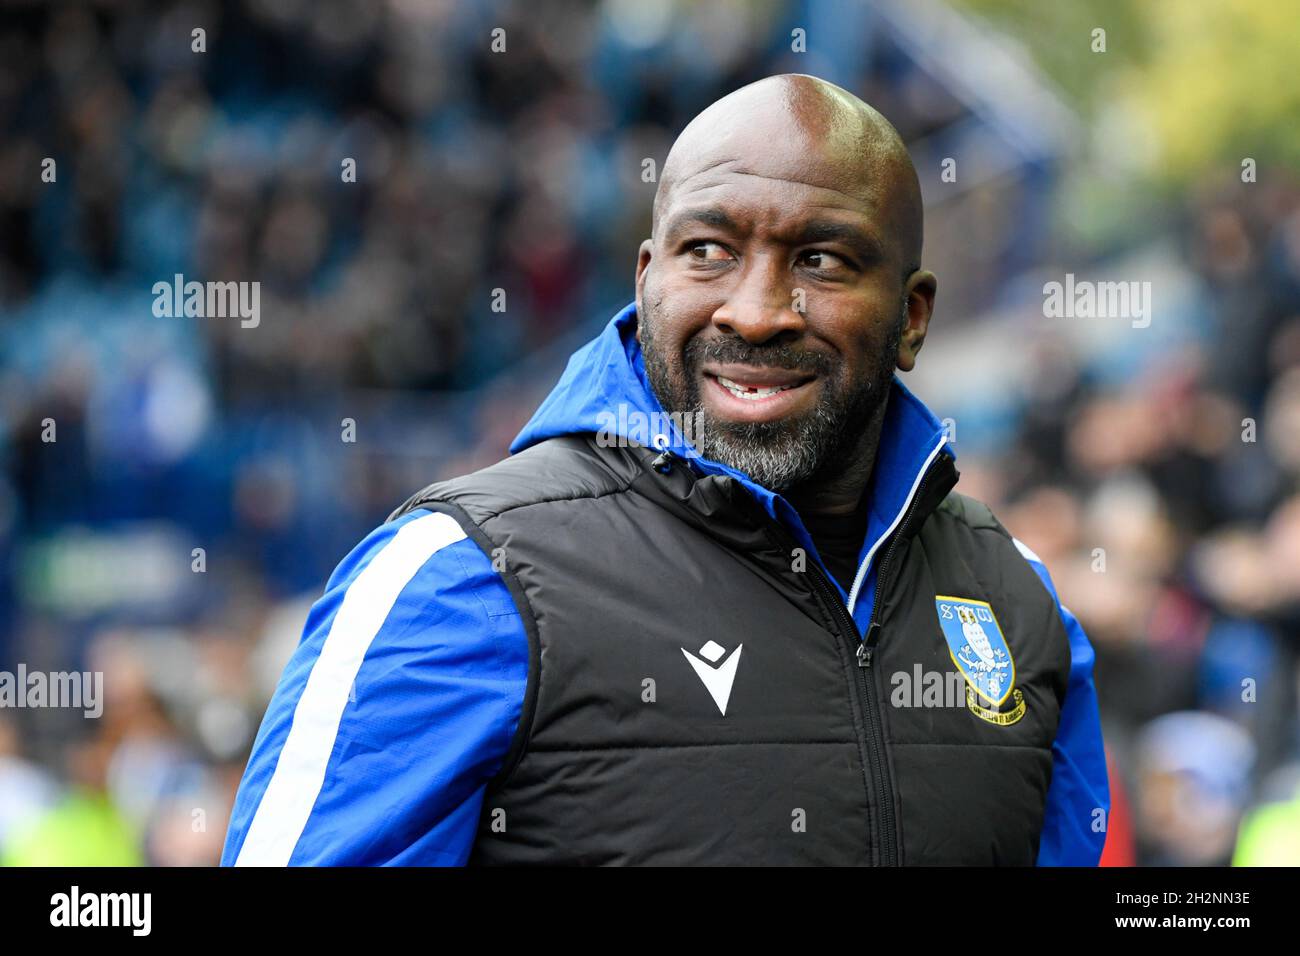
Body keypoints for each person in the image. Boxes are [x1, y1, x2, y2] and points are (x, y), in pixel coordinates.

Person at [222, 74, 1108, 866]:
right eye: (709, 251)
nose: (757, 313)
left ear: (912, 318)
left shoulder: (1014, 602)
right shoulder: (456, 580)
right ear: (648, 280)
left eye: (821, 260)